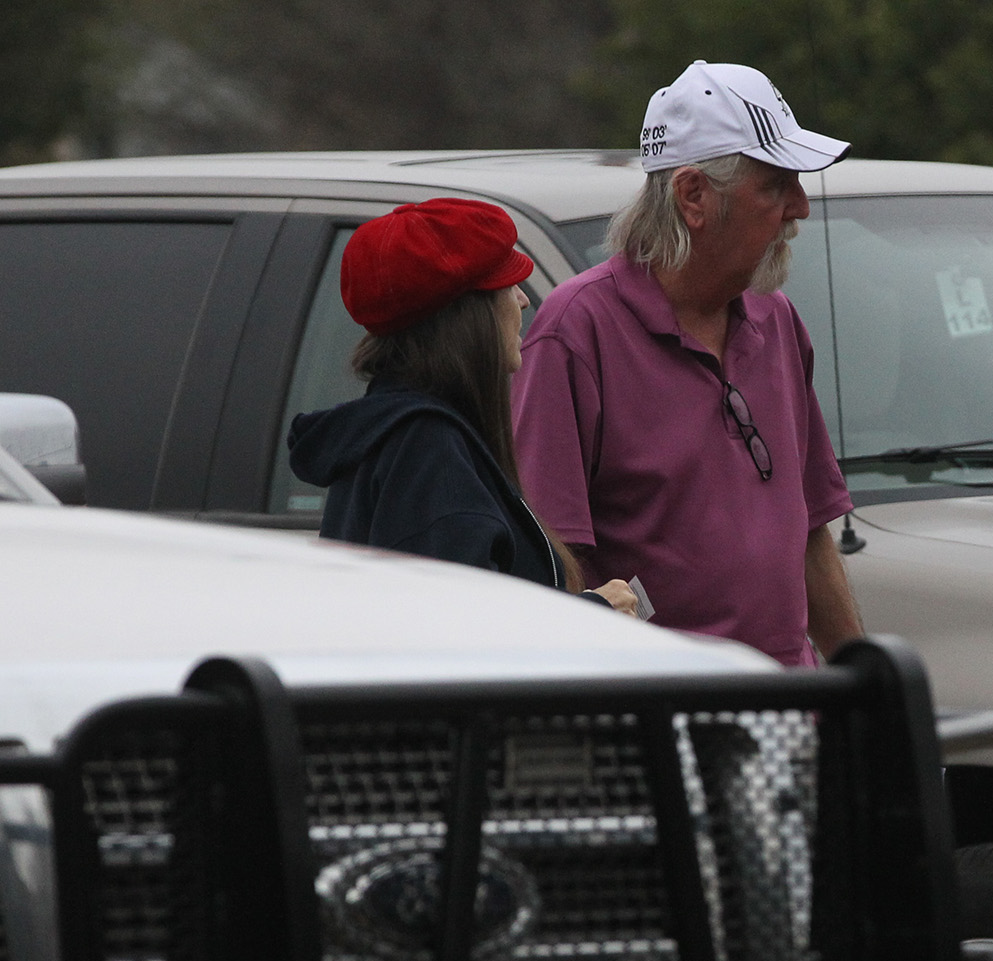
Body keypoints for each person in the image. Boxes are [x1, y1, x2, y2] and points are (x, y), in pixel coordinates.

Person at [511, 61, 864, 666]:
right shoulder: (576, 332)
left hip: (787, 719)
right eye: (777, 185)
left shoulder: (776, 320)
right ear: (694, 196)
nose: (800, 208)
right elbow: (548, 567)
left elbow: (810, 536)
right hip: (663, 724)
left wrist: (872, 696)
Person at [290, 197, 637, 614]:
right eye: (505, 285)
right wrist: (591, 616)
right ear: (466, 317)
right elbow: (460, 640)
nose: (523, 300)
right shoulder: (426, 454)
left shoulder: (396, 437)